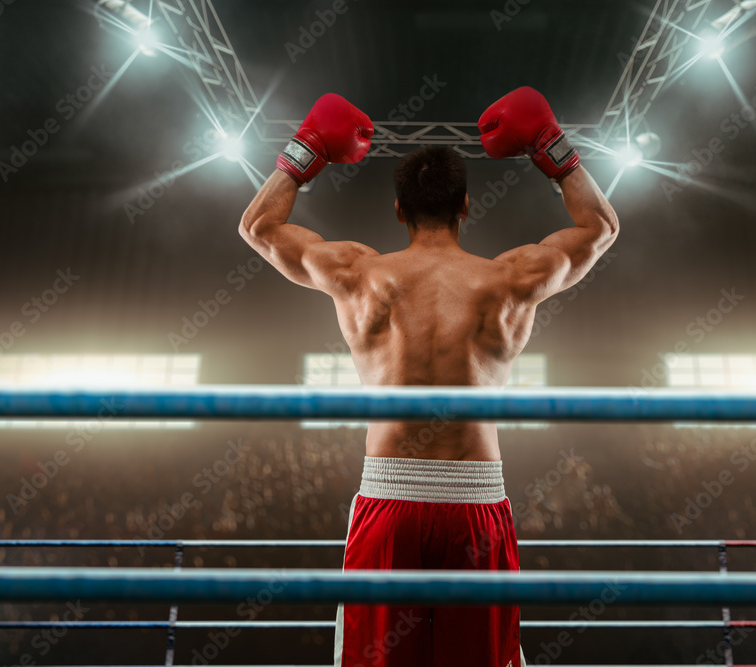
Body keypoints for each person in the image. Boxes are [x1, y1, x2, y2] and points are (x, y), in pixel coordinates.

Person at [240, 86, 619, 667]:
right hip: (477, 503)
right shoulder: (508, 280)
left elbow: (260, 226)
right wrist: (552, 146)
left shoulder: (358, 274)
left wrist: (307, 148)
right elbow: (600, 227)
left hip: (390, 500)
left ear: (399, 210)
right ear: (466, 206)